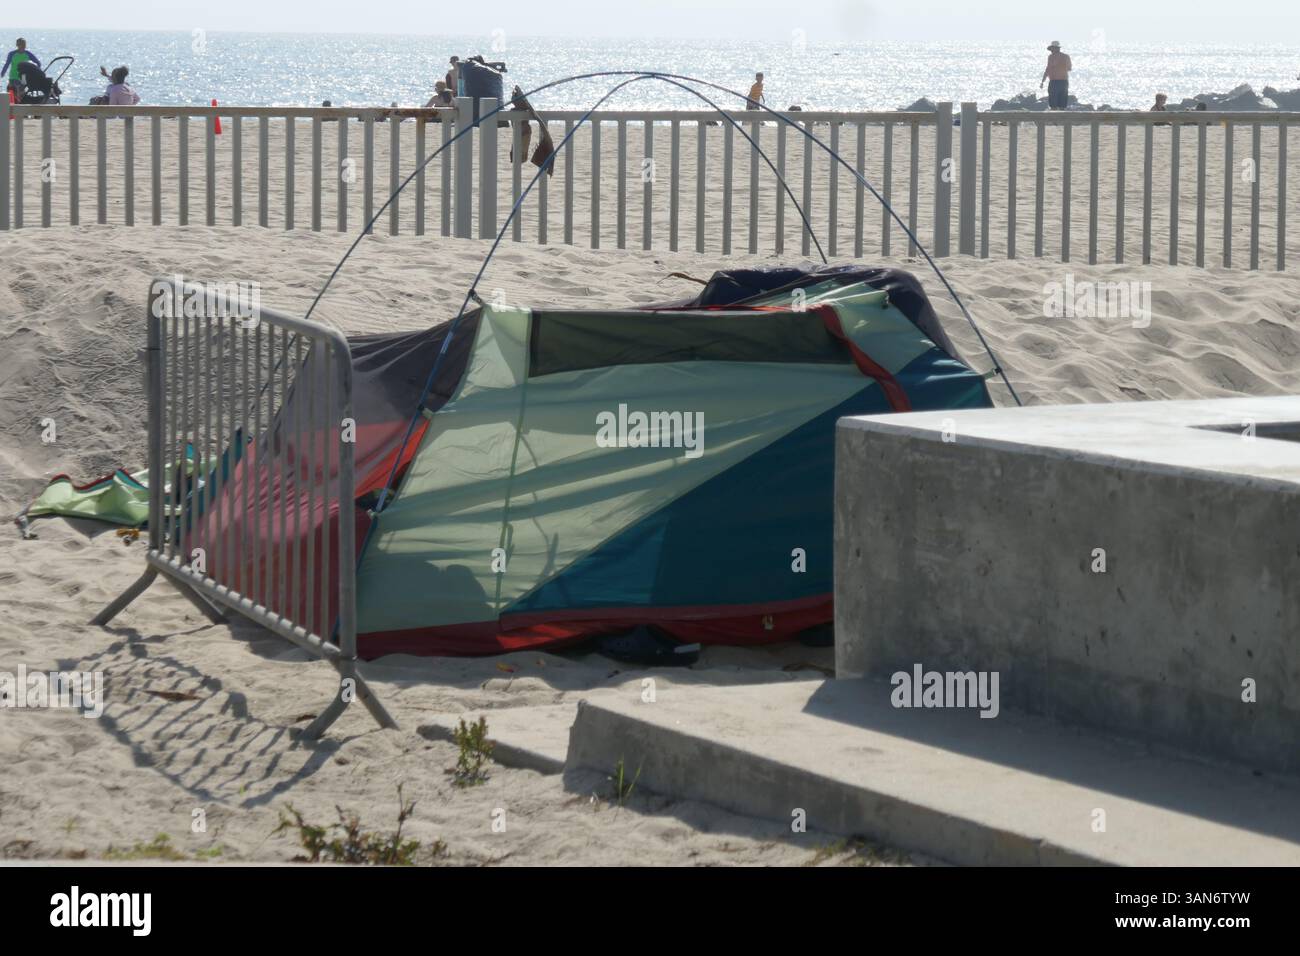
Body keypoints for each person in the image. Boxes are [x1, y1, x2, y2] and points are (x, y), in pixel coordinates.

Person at [1039, 41, 1072, 110]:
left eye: (1052, 49)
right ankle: (1058, 119)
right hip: (1062, 82)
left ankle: (1057, 119)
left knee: (1055, 104)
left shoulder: (1052, 57)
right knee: (1060, 103)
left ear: (1056, 48)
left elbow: (1048, 69)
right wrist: (1043, 81)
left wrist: (1043, 81)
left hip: (1056, 82)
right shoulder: (1065, 56)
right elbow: (1069, 68)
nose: (1051, 51)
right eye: (1050, 49)